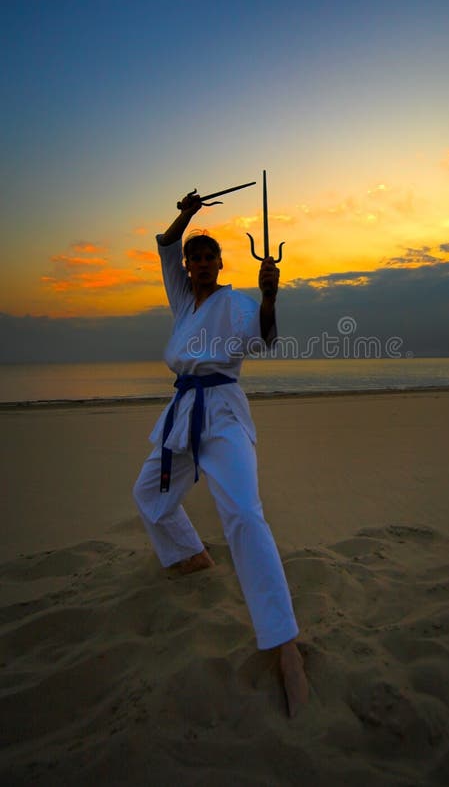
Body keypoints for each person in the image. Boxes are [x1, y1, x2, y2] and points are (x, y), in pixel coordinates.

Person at [132, 189, 308, 717]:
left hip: (224, 412)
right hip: (183, 410)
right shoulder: (184, 300)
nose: (202, 264)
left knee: (244, 514)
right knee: (149, 494)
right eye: (195, 258)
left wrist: (271, 295)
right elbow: (165, 242)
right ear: (188, 266)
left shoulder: (235, 303)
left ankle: (286, 649)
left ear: (221, 264)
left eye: (210, 258)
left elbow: (266, 337)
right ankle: (193, 556)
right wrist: (188, 213)